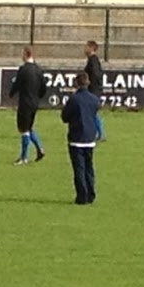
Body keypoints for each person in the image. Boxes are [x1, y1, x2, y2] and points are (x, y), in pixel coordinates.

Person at [61, 72, 100, 205]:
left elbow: (65, 117)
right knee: (89, 167)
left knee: (79, 168)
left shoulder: (74, 99)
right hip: (90, 138)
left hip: (77, 138)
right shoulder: (94, 99)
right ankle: (91, 194)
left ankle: (81, 197)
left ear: (77, 83)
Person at [10, 47, 49, 165]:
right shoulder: (38, 70)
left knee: (23, 129)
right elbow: (44, 88)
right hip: (34, 103)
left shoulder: (23, 70)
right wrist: (37, 97)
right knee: (29, 127)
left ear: (26, 54)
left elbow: (17, 84)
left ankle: (24, 157)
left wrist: (11, 94)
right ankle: (39, 148)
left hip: (25, 103)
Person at [83, 39, 106, 141]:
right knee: (92, 113)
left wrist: (89, 83)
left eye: (86, 47)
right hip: (94, 89)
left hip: (94, 90)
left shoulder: (93, 60)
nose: (84, 49)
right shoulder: (92, 60)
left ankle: (100, 134)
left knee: (93, 113)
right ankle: (98, 133)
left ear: (91, 48)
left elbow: (96, 75)